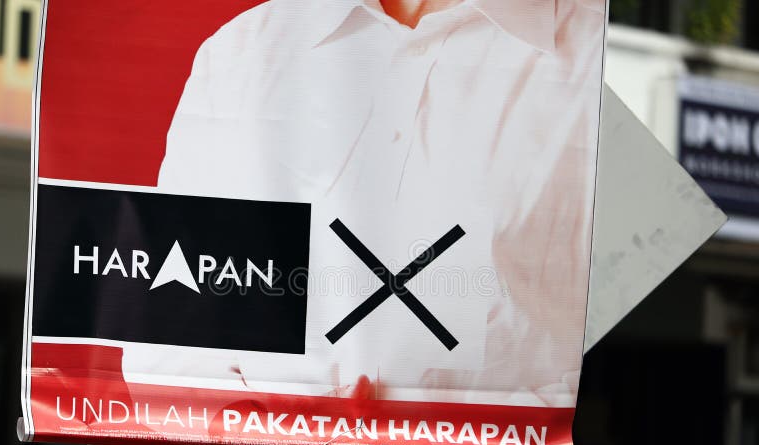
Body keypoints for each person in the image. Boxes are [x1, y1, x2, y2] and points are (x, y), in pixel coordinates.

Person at [138, 0, 606, 407]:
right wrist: (271, 417)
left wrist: (445, 423)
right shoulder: (244, 51)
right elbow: (170, 328)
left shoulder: (594, 58)